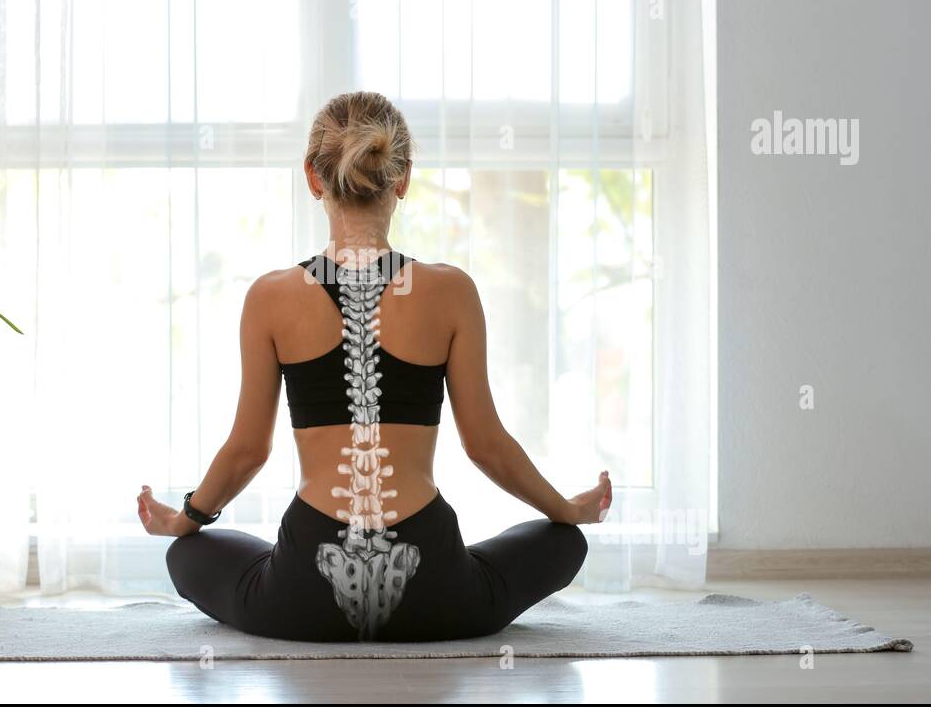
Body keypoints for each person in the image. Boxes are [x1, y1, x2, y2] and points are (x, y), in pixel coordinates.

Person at [138, 90, 612, 642]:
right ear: (403, 178)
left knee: (188, 555)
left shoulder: (270, 297)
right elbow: (485, 444)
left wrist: (186, 519)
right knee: (563, 542)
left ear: (313, 178)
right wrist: (563, 509)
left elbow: (249, 450)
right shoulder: (451, 291)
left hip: (303, 593)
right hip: (435, 589)